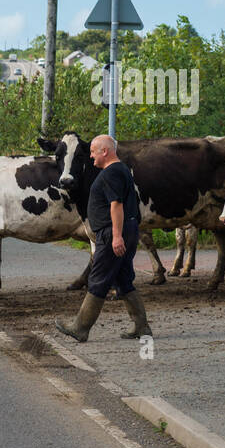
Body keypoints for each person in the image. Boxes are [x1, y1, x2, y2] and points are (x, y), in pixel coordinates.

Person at [55, 134, 153, 343]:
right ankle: (142, 327)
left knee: (98, 279)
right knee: (123, 279)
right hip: (123, 229)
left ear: (105, 151)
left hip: (112, 233)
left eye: (92, 152)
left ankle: (80, 327)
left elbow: (116, 205)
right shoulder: (121, 170)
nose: (91, 157)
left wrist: (116, 236)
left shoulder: (111, 173)